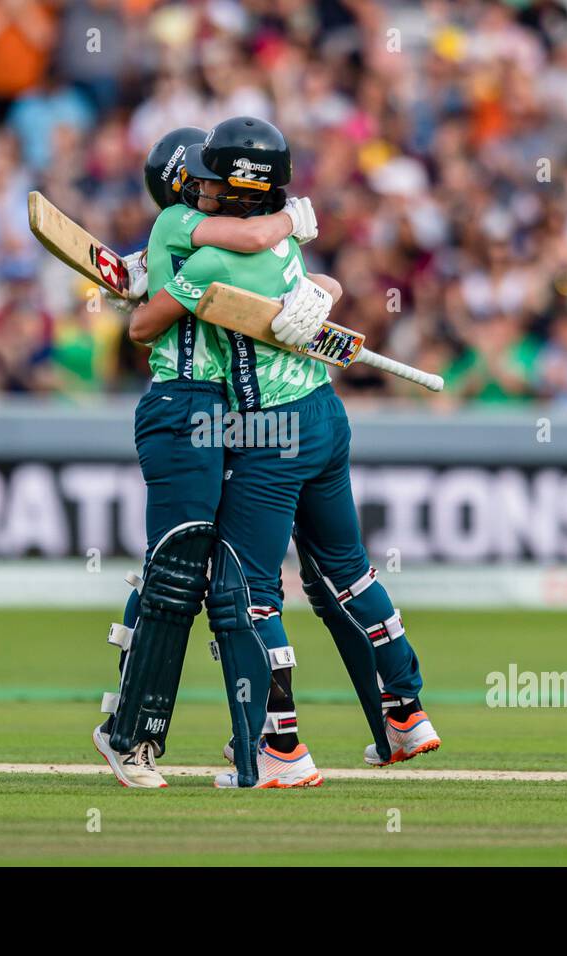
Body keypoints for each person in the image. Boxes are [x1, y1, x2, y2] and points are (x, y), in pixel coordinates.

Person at [127, 117, 438, 790]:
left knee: (252, 595)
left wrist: (152, 290)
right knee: (349, 572)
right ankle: (407, 711)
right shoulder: (286, 248)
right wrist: (318, 292)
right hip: (327, 414)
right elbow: (299, 271)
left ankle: (283, 749)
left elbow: (143, 325)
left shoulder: (208, 259)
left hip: (271, 432)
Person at [92, 124, 319, 788]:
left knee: (205, 578)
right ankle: (128, 736)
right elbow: (146, 323)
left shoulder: (194, 233)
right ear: (188, 183)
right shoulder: (180, 221)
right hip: (180, 404)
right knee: (175, 576)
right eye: (215, 179)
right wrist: (292, 216)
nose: (230, 190)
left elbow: (270, 264)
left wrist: (318, 291)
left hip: (223, 411)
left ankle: (260, 738)